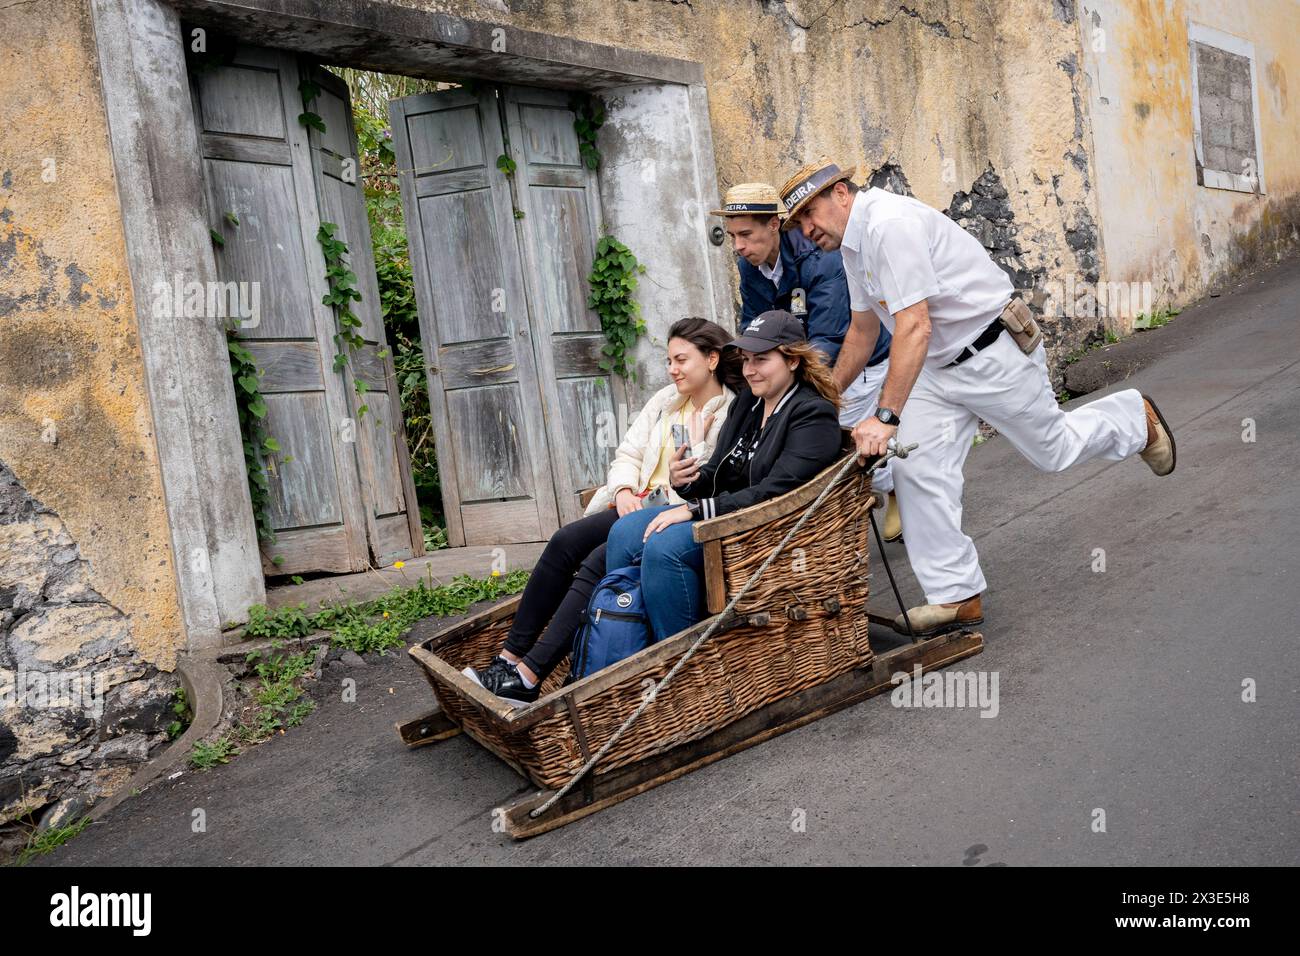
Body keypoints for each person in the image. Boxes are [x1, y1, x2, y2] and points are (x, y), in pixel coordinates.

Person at [780, 158, 1176, 636]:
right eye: (798, 222)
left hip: (991, 351)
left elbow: (915, 325)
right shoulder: (853, 246)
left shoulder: (889, 225)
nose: (805, 230)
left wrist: (885, 417)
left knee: (1054, 450)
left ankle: (1136, 417)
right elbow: (864, 331)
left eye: (809, 214)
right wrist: (826, 399)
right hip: (937, 369)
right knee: (916, 467)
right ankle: (955, 596)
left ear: (841, 193)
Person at [464, 317, 741, 703]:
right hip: (632, 503)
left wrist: (693, 443)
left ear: (712, 359)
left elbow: (703, 480)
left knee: (598, 558)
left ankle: (529, 675)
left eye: (681, 360)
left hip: (667, 511)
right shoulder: (664, 402)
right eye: (668, 361)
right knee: (564, 541)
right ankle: (509, 660)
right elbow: (628, 452)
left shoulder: (728, 411)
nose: (672, 369)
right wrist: (624, 488)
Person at [604, 310, 845, 642]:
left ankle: (676, 657)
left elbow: (774, 492)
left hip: (766, 527)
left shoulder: (811, 414)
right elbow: (718, 471)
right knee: (624, 532)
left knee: (664, 549)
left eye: (761, 360)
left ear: (792, 361)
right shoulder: (749, 402)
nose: (749, 370)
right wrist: (685, 479)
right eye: (746, 360)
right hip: (728, 513)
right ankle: (625, 641)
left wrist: (694, 509)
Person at [714, 182, 903, 541]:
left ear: (773, 225)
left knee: (837, 443)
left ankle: (888, 492)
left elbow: (830, 336)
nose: (738, 246)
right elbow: (754, 326)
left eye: (746, 234)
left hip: (854, 362)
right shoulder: (749, 266)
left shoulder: (819, 257)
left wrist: (793, 392)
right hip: (795, 366)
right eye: (733, 236)